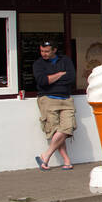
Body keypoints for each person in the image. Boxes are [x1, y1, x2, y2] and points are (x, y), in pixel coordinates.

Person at [32, 41, 76, 170]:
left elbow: (71, 78)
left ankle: (45, 156)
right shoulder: (38, 64)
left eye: (47, 51)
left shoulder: (65, 60)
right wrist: (60, 74)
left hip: (66, 99)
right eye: (42, 51)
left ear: (54, 50)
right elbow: (42, 81)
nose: (43, 54)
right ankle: (67, 161)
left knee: (67, 127)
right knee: (55, 131)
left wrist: (51, 79)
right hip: (47, 99)